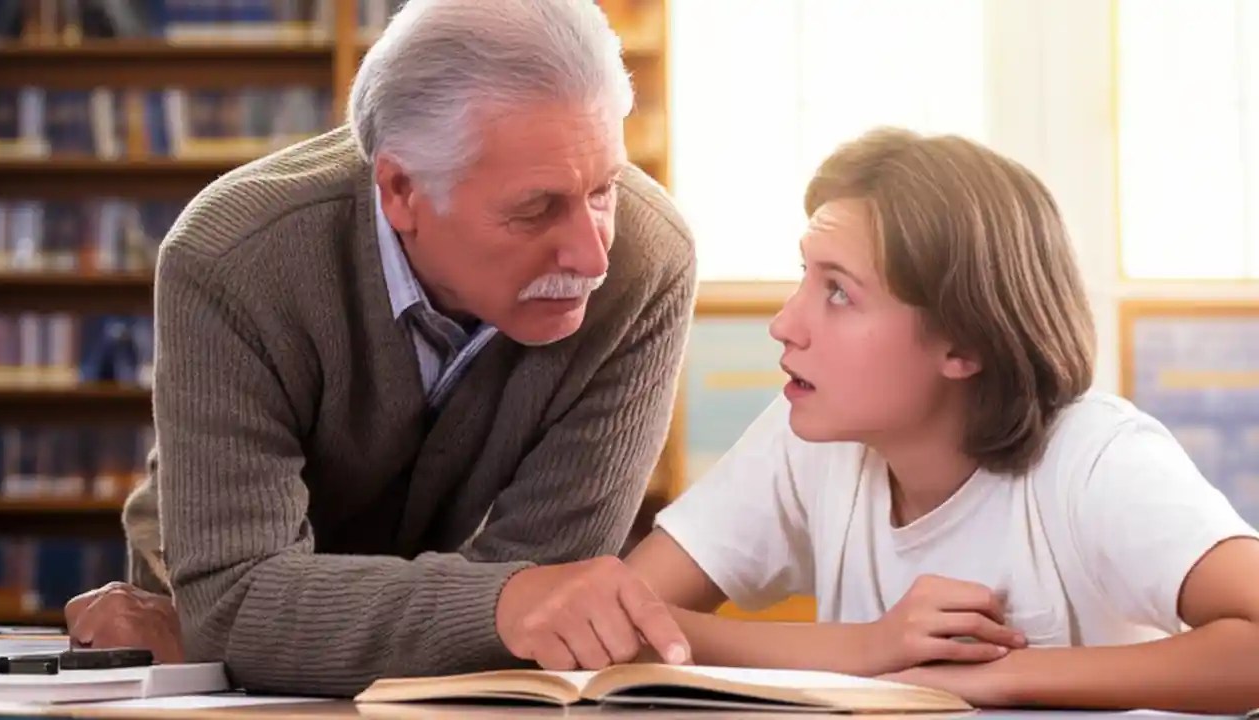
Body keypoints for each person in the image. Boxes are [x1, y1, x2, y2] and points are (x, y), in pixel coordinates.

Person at [63, 0, 697, 697]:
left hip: (305, 662)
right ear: (400, 190)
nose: (592, 254)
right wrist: (494, 606)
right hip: (210, 684)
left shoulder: (649, 261)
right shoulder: (229, 259)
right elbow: (238, 599)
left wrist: (265, 629)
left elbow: (548, 611)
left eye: (604, 189)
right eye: (535, 210)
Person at [617, 128, 1259, 714]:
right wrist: (868, 651)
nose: (785, 324)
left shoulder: (1096, 458)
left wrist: (999, 676)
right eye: (805, 277)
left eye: (838, 291)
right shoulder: (808, 439)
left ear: (964, 344)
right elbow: (619, 619)